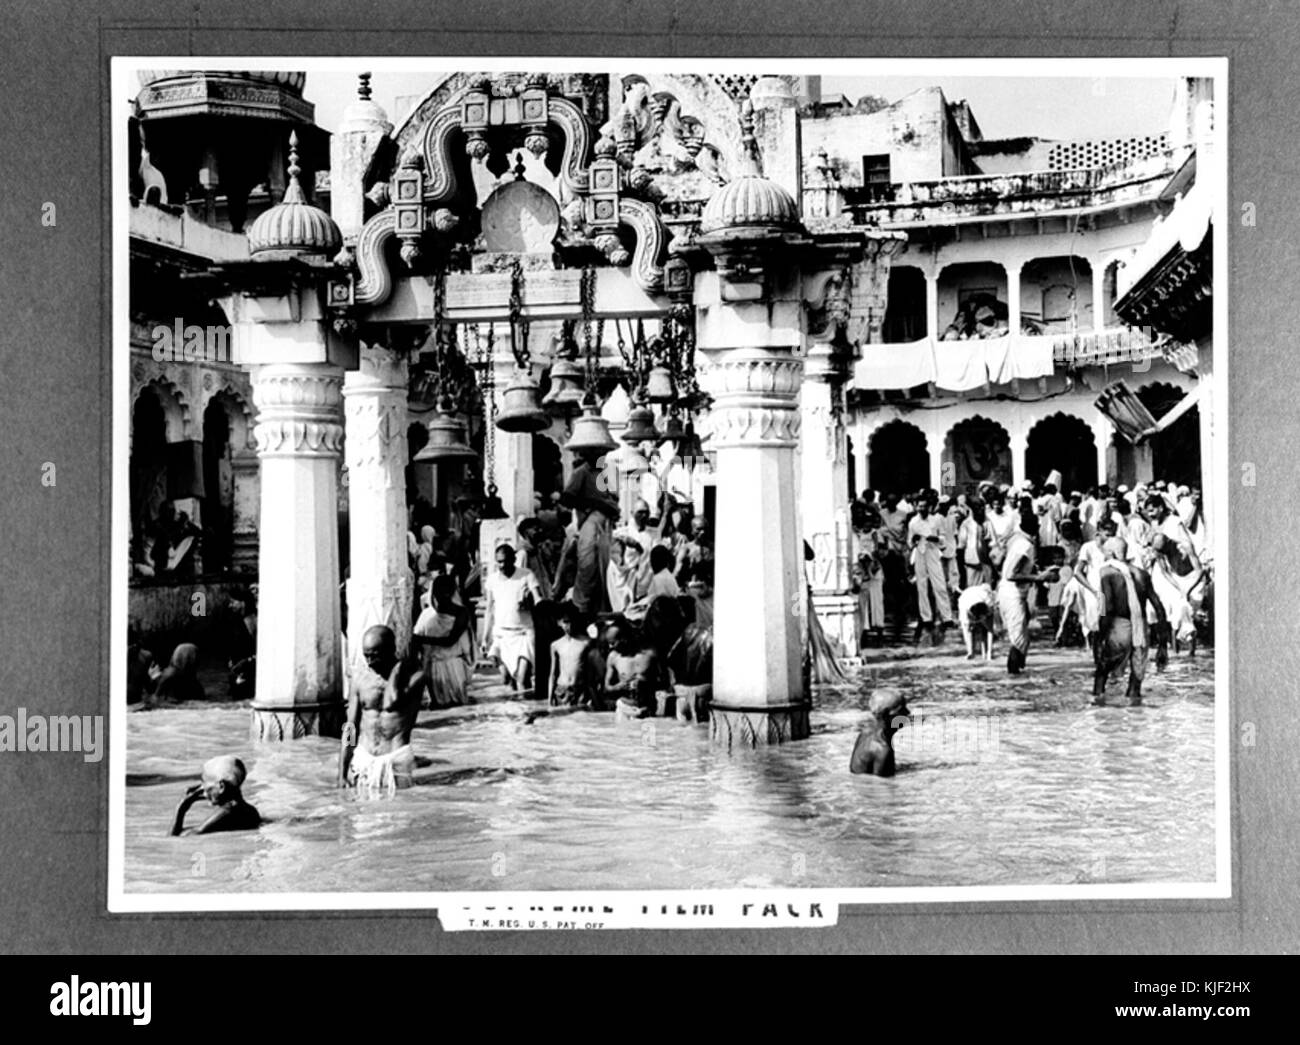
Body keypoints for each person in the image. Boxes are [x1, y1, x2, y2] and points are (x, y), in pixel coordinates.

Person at [338, 626, 426, 794]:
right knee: (361, 815)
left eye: (375, 656)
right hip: (364, 757)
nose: (370, 662)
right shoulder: (360, 679)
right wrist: (341, 773)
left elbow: (392, 700)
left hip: (396, 759)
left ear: (391, 650)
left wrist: (397, 669)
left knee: (398, 815)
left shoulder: (414, 677)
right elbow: (350, 727)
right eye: (366, 656)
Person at [1093, 537, 1168, 706]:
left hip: (1119, 625)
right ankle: (1135, 718)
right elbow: (1158, 607)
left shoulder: (1107, 572)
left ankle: (1099, 709)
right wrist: (1163, 643)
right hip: (1141, 627)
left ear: (1111, 554)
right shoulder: (1142, 574)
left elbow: (1107, 605)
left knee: (1102, 669)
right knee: (1136, 679)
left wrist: (1100, 635)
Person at [996, 501, 1058, 675]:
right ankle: (1013, 678)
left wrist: (1038, 572)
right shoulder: (1025, 545)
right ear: (1034, 527)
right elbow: (1012, 574)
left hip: (1010, 592)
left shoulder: (1017, 538)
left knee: (1022, 637)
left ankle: (1018, 674)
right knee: (1018, 639)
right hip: (1012, 593)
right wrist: (1039, 578)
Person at [560, 448, 620, 616]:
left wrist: (606, 505)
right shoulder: (581, 473)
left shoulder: (607, 473)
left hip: (605, 527)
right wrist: (592, 503)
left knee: (605, 572)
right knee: (588, 567)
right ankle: (581, 610)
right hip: (589, 525)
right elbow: (566, 498)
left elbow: (613, 502)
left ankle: (601, 610)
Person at [482, 543, 544, 693]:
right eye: (498, 561)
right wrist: (484, 637)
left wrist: (529, 602)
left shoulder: (526, 575)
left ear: (513, 559)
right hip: (501, 634)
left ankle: (527, 713)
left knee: (522, 679)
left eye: (504, 561)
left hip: (524, 633)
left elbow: (539, 601)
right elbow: (489, 608)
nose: (501, 565)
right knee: (506, 680)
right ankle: (512, 713)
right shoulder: (492, 580)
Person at [411, 574, 475, 707]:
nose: (443, 596)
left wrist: (421, 639)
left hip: (454, 666)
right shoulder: (427, 615)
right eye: (440, 592)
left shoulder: (461, 613)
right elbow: (415, 645)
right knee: (438, 707)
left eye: (446, 592)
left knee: (457, 708)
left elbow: (450, 640)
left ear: (452, 592)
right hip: (432, 667)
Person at [170, 755, 260, 835]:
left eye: (204, 782)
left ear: (221, 787)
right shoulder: (250, 810)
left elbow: (175, 839)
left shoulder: (227, 812)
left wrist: (181, 809)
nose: (202, 788)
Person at [907, 495, 953, 642]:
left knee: (939, 585)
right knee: (922, 587)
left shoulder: (936, 520)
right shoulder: (913, 522)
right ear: (916, 506)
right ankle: (926, 617)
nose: (922, 508)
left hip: (933, 551)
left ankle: (947, 617)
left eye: (924, 506)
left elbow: (944, 540)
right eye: (919, 506)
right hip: (920, 553)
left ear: (929, 507)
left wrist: (935, 539)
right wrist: (913, 541)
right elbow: (909, 542)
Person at [849, 688, 912, 777]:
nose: (908, 712)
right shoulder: (883, 750)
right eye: (901, 711)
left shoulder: (866, 732)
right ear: (887, 716)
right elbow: (883, 787)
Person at [604, 620, 660, 720]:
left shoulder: (650, 655)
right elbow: (607, 687)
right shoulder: (613, 657)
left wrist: (645, 683)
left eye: (613, 643)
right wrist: (618, 686)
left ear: (624, 639)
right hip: (624, 708)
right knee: (624, 734)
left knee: (648, 735)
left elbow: (666, 683)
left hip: (647, 710)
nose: (610, 647)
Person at [548, 603, 590, 707]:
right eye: (566, 622)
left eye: (572, 621)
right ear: (559, 623)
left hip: (580, 688)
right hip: (562, 688)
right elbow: (553, 674)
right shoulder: (556, 645)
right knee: (563, 721)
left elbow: (591, 671)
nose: (569, 626)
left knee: (581, 719)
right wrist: (549, 699)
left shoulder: (586, 642)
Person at [957, 581, 996, 661]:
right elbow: (966, 631)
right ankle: (971, 652)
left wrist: (989, 654)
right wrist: (970, 652)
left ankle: (988, 652)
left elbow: (990, 630)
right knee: (969, 629)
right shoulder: (963, 606)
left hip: (983, 597)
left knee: (987, 629)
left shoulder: (988, 601)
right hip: (967, 598)